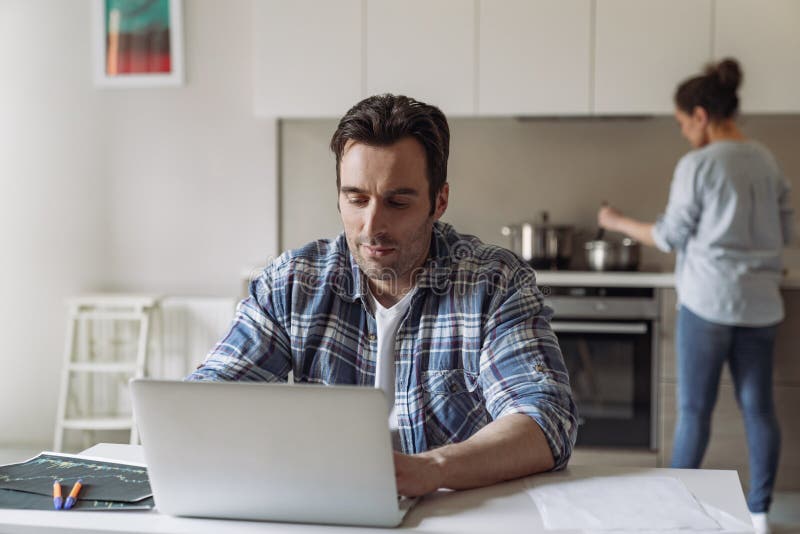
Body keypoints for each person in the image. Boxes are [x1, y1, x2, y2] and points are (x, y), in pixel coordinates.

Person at [188, 94, 577, 498]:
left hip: (456, 510)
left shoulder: (496, 283)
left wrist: (432, 468)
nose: (371, 226)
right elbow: (208, 394)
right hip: (327, 510)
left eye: (397, 201)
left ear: (439, 201)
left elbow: (545, 419)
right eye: (356, 199)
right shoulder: (291, 283)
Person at [597, 58, 792, 533]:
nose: (685, 133)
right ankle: (761, 511)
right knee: (759, 409)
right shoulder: (767, 161)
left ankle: (676, 509)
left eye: (685, 123)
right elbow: (785, 229)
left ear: (701, 115)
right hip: (761, 304)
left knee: (694, 410)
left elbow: (669, 235)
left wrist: (616, 222)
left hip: (708, 302)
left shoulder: (698, 164)